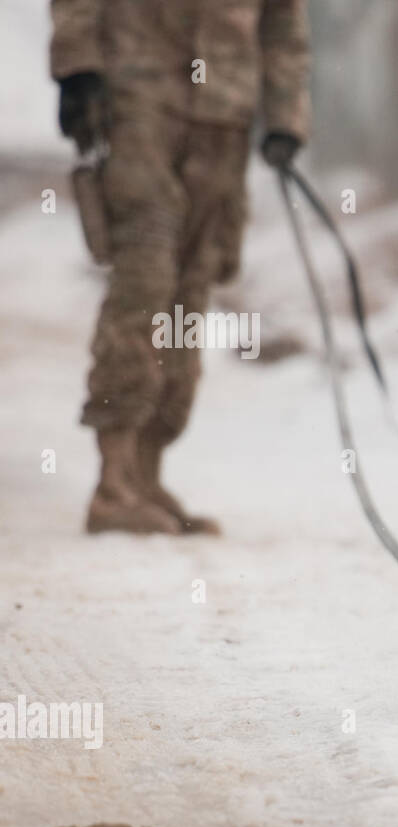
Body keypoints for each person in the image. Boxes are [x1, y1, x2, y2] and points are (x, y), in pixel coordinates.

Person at [50, 0, 311, 534]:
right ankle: (114, 481)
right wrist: (78, 68)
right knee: (145, 276)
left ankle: (146, 470)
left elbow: (283, 20)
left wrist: (285, 116)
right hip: (139, 97)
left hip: (224, 116)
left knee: (191, 290)